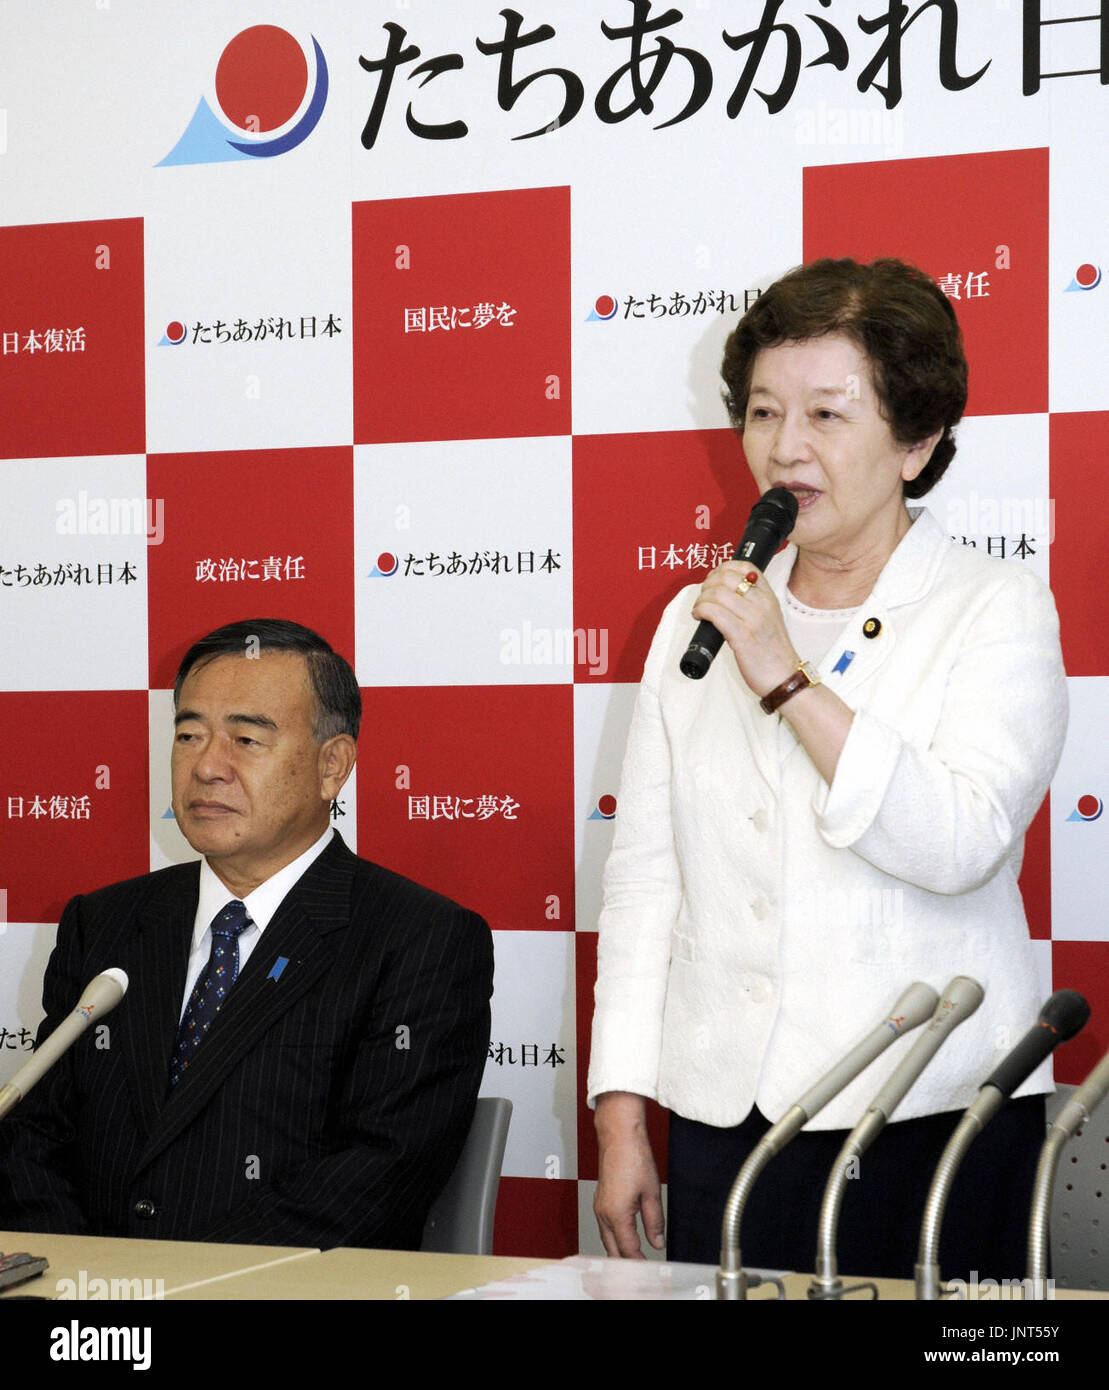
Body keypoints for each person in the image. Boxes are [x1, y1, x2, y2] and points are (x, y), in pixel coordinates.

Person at [588, 258, 1068, 1278]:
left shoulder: (992, 606)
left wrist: (788, 679)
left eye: (824, 414)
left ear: (916, 440)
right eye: (762, 412)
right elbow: (644, 882)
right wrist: (621, 1114)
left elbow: (962, 843)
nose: (783, 448)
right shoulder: (696, 614)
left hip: (926, 1116)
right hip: (731, 1117)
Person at [0, 619, 493, 1250]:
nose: (207, 766)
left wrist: (180, 1287)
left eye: (246, 738)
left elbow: (377, 1175)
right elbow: (34, 1133)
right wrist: (80, 1277)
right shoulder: (105, 922)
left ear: (332, 765)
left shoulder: (421, 940)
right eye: (188, 734)